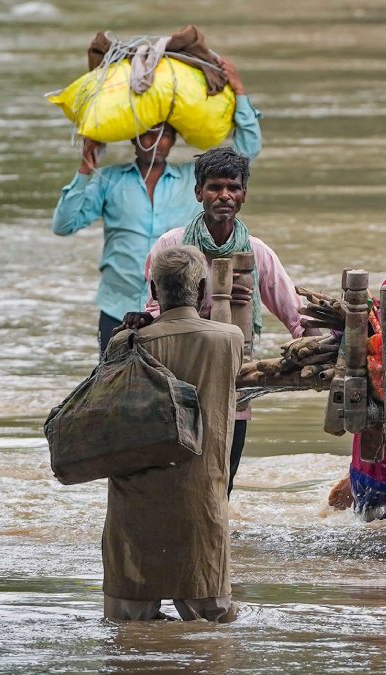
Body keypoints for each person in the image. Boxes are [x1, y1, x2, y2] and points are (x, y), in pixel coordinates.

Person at [123, 147, 304, 496]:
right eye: (215, 187)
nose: (224, 195)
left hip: (232, 380)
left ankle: (216, 546)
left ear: (244, 195)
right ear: (198, 193)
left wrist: (327, 348)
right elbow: (157, 311)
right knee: (176, 479)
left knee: (223, 483)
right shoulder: (171, 246)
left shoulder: (257, 253)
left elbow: (295, 316)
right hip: (177, 380)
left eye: (233, 187)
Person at [51, 57, 262, 353]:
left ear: (174, 139)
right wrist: (87, 164)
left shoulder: (193, 180)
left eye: (164, 134)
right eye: (148, 132)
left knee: (180, 387)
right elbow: (63, 224)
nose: (155, 142)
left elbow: (246, 153)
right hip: (118, 306)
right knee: (115, 387)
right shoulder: (108, 181)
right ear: (134, 136)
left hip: (178, 309)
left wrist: (238, 89)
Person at [102, 245, 244, 622]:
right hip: (200, 497)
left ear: (153, 289)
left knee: (128, 627)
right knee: (212, 623)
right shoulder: (228, 340)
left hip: (136, 500)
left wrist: (134, 331)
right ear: (200, 292)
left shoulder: (126, 342)